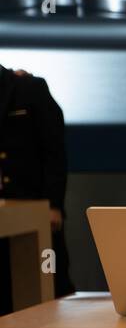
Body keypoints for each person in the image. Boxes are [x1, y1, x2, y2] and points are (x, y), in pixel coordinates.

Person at [0, 64, 71, 313]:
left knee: (50, 279)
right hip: (4, 216)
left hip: (37, 212)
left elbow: (54, 152)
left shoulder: (30, 89)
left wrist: (53, 205)